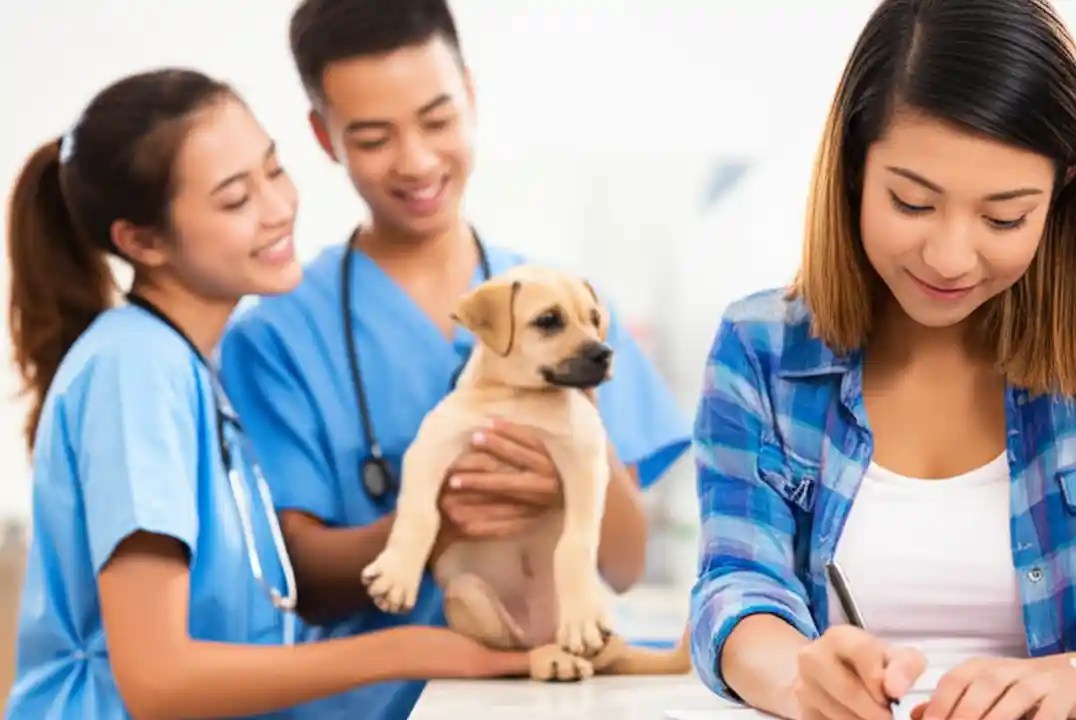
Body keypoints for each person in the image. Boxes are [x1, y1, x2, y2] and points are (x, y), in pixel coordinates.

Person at [687, 1, 1076, 720]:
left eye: (1005, 218)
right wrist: (798, 677)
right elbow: (735, 587)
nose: (949, 258)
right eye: (911, 203)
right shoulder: (760, 349)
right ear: (854, 166)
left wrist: (1075, 681)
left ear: (1063, 188)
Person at [3, 68, 537, 720]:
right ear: (141, 240)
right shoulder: (134, 371)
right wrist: (411, 649)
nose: (279, 208)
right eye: (235, 200)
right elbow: (157, 678)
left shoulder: (190, 366)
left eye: (274, 171)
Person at [218, 0, 691, 716]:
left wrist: (570, 480)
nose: (416, 160)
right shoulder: (277, 334)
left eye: (437, 120)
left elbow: (622, 565)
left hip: (547, 697)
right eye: (374, 137)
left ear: (470, 94)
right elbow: (300, 582)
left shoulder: (564, 309)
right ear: (325, 135)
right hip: (366, 705)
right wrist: (441, 512)